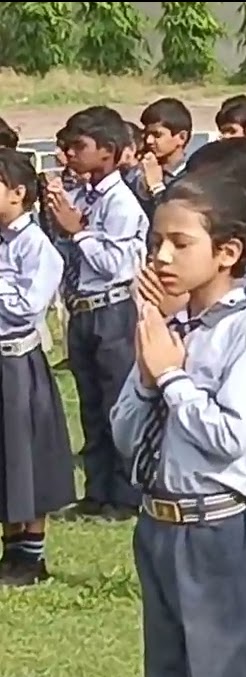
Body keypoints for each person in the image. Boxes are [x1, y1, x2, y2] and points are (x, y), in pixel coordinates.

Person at [109, 171, 246, 677]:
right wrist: (147, 372)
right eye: (155, 242)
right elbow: (124, 433)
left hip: (216, 526)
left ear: (228, 251)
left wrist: (172, 380)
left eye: (180, 244)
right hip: (158, 522)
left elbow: (230, 437)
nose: (161, 257)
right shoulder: (169, 329)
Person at [49, 107, 148, 521]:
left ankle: (124, 494)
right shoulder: (84, 195)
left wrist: (79, 232)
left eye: (79, 147)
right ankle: (96, 488)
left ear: (107, 152)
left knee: (115, 401)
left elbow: (116, 265)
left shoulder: (121, 202)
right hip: (83, 309)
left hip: (113, 308)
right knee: (90, 401)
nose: (69, 154)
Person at [0, 148, 76, 587]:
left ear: (18, 193)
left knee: (27, 454)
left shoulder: (37, 247)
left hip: (18, 361)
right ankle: (10, 547)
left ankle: (32, 553)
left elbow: (28, 307)